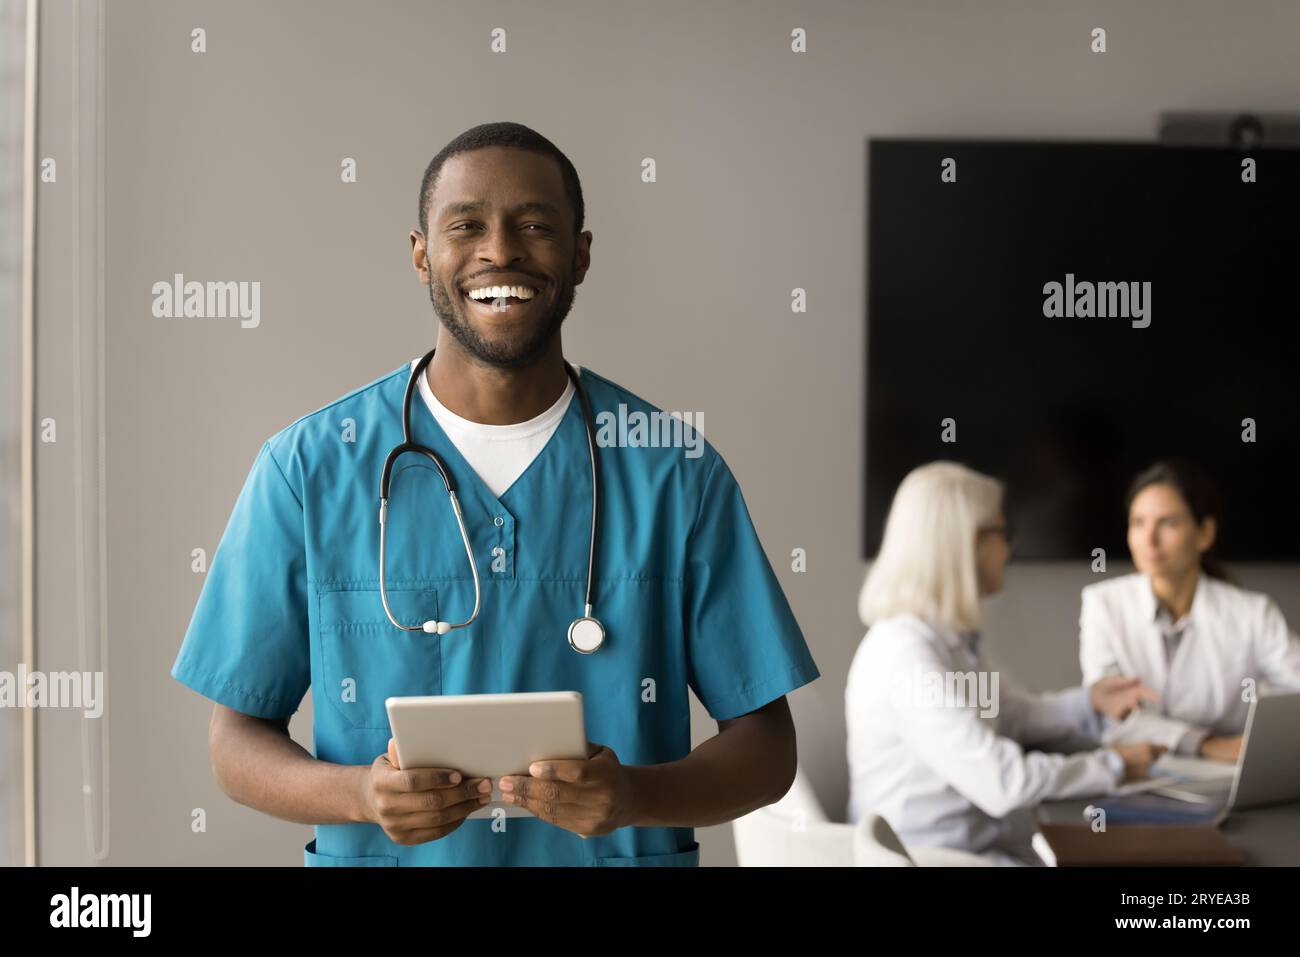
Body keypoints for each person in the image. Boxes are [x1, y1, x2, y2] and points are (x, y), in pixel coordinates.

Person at [170, 122, 819, 866]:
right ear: (422, 254)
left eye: (535, 226)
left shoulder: (676, 472)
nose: (501, 251)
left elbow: (768, 747)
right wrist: (358, 795)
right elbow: (234, 743)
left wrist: (636, 796)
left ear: (580, 256)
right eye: (466, 226)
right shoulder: (308, 469)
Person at [846, 461, 1163, 865]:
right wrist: (1113, 766)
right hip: (933, 858)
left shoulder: (950, 640)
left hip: (974, 847)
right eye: (1002, 532)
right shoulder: (907, 656)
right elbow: (1002, 781)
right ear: (968, 543)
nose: (1009, 548)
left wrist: (1091, 702)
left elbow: (1006, 715)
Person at [1079, 459, 1300, 762]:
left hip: (1233, 773)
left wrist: (1260, 741)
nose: (1149, 539)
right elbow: (1111, 713)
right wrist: (1206, 745)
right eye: (1138, 523)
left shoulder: (1253, 613)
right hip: (1140, 772)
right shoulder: (1102, 604)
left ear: (1204, 534)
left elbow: (1295, 693)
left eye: (1167, 523)